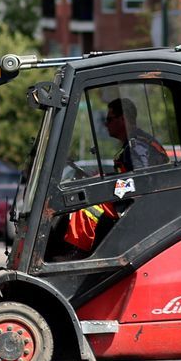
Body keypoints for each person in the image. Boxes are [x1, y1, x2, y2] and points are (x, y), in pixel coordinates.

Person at [60, 98, 169, 255]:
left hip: (143, 207)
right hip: (140, 201)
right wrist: (101, 178)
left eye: (109, 119)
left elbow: (142, 182)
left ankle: (79, 256)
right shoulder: (134, 142)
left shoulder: (136, 146)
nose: (106, 124)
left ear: (123, 119)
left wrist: (108, 185)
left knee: (86, 206)